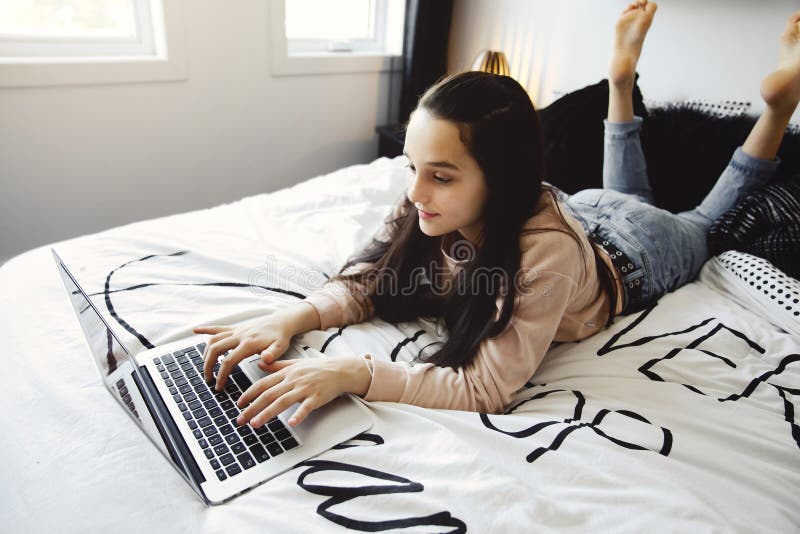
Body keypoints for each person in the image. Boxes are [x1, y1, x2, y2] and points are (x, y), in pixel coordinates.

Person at [195, 2, 800, 428]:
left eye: (440, 175)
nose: (414, 192)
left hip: (638, 254)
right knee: (627, 188)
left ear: (502, 175)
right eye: (411, 166)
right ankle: (620, 82)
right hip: (586, 212)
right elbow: (369, 280)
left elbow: (485, 388)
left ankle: (773, 113)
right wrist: (292, 317)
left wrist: (355, 373)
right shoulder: (426, 205)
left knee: (704, 220)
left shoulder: (545, 251)